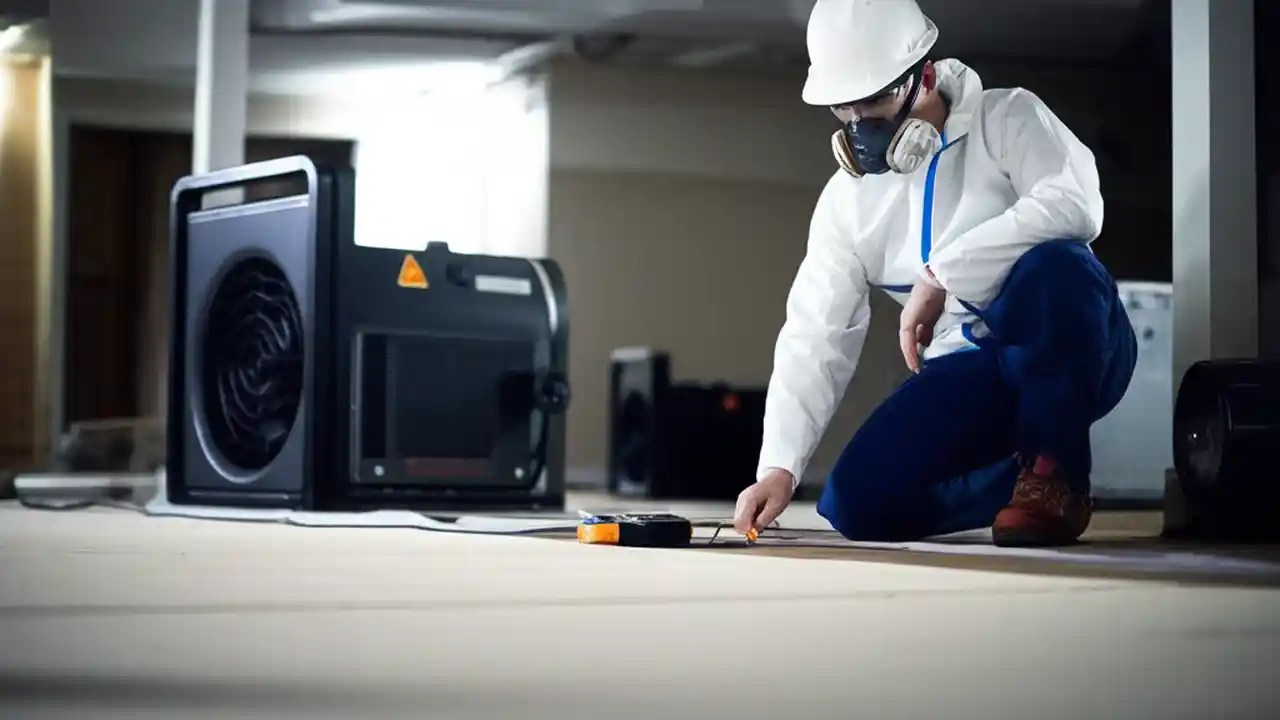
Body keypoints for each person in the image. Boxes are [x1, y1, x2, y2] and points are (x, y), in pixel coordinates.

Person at [732, 0, 1137, 547]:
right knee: (856, 501)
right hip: (971, 372)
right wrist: (778, 465)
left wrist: (944, 273)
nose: (857, 126)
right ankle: (1031, 475)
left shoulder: (1008, 118)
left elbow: (1077, 204)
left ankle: (1054, 472)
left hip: (1072, 343)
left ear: (922, 75)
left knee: (1058, 265)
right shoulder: (846, 204)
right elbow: (815, 333)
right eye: (841, 109)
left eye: (871, 101)